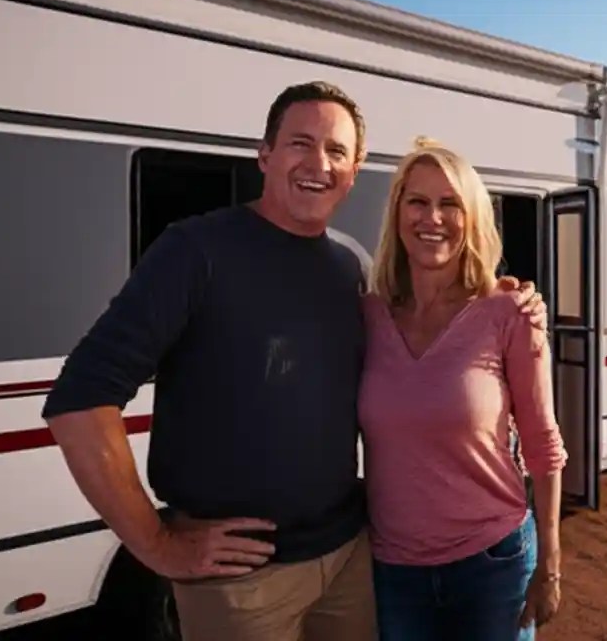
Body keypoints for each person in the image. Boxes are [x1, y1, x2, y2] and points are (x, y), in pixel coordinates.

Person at [40, 81, 546, 641]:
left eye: (336, 152)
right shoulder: (196, 252)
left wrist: (495, 294)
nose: (318, 164)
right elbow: (80, 400)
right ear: (265, 154)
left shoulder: (349, 273)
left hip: (355, 558)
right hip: (244, 580)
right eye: (300, 144)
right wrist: (156, 545)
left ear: (354, 173)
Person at [358, 137, 568, 640]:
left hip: (493, 563)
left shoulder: (509, 313)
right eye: (418, 202)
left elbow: (543, 444)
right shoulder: (368, 315)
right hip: (394, 570)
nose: (432, 217)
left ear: (471, 217)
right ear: (398, 212)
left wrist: (551, 562)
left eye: (450, 204)